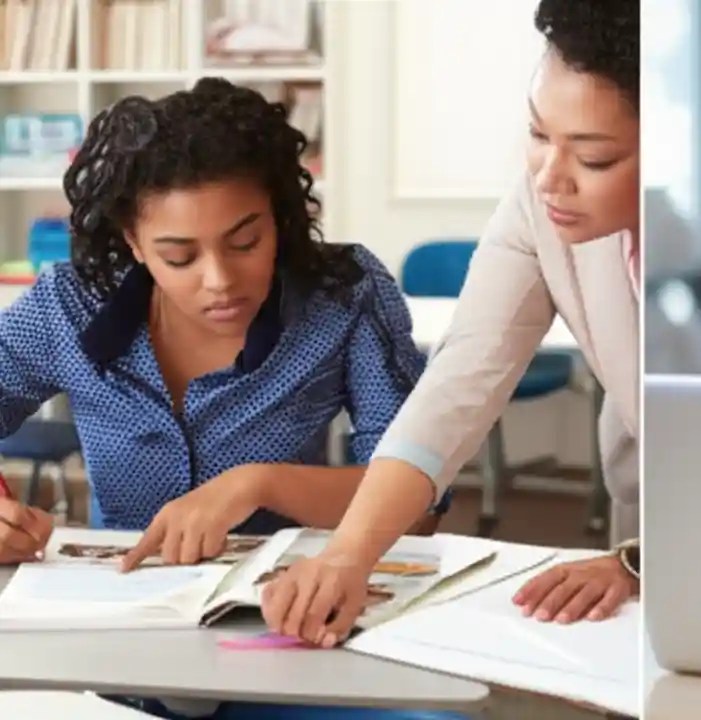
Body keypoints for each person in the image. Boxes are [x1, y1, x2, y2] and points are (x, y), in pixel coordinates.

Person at [0, 78, 454, 718]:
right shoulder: (69, 305)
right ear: (133, 243)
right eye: (178, 256)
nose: (219, 281)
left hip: (288, 631)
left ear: (280, 215)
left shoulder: (344, 296)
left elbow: (421, 502)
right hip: (114, 642)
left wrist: (262, 483)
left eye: (246, 242)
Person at [260, 0, 642, 645]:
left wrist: (642, 561)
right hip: (653, 517)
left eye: (595, 158)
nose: (550, 178)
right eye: (539, 134)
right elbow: (461, 379)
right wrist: (349, 554)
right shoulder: (537, 206)